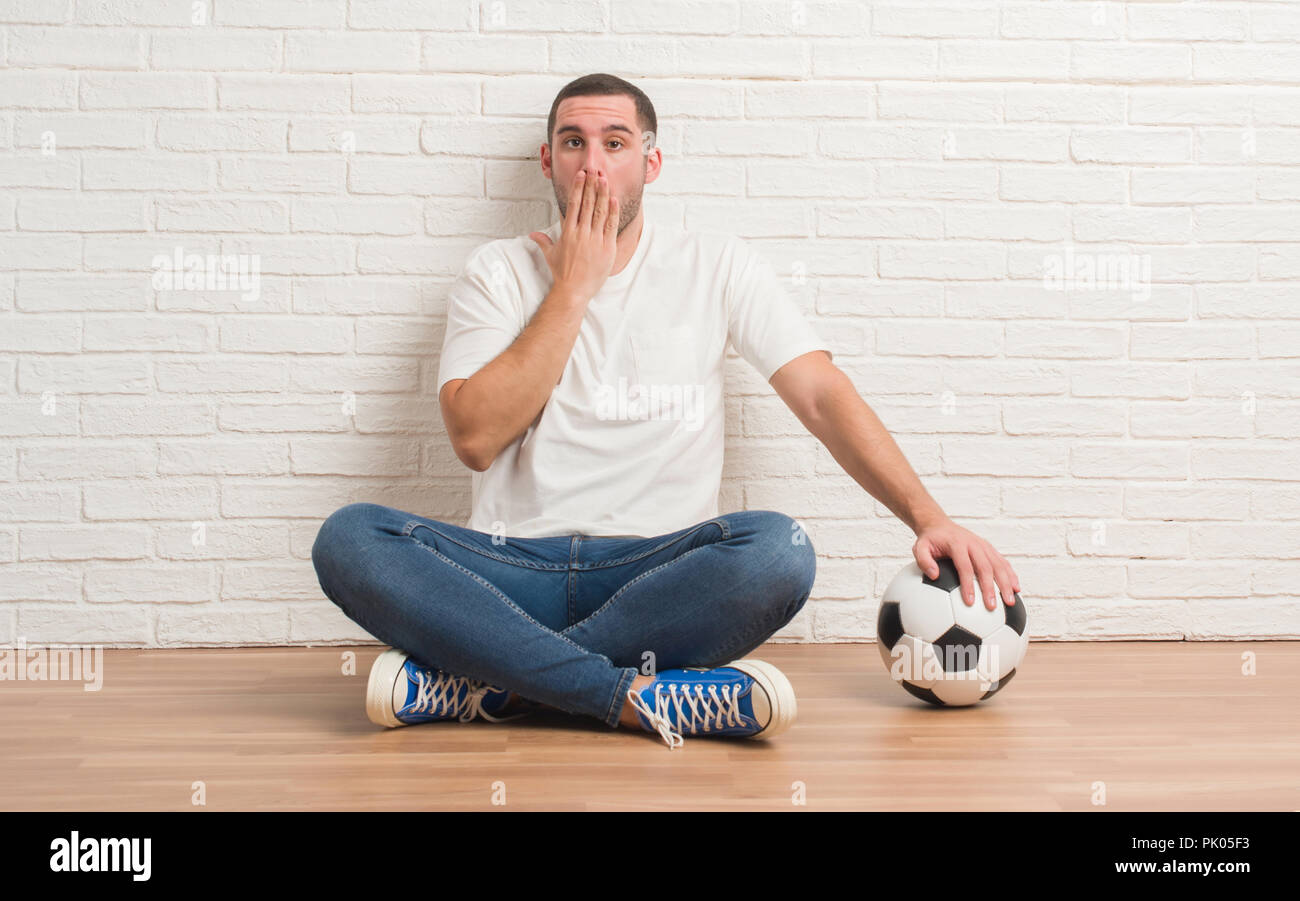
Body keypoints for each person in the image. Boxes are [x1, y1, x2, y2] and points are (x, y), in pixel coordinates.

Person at [311, 73, 1022, 750]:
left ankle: (494, 684)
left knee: (781, 551)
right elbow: (475, 436)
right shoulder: (496, 272)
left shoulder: (717, 264)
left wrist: (927, 515)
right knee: (349, 538)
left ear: (651, 163)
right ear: (546, 161)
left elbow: (820, 394)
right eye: (573, 142)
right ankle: (629, 695)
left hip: (652, 577)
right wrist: (574, 289)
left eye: (615, 143)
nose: (593, 164)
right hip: (509, 569)